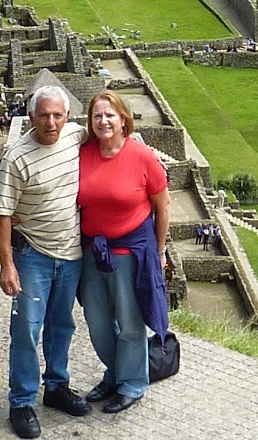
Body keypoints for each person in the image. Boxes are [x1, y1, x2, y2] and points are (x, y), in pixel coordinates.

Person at [0, 86, 90, 439]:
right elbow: (2, 215)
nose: (51, 122)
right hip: (33, 254)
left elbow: (117, 136)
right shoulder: (16, 157)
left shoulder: (76, 136)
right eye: (44, 115)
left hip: (72, 254)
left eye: (58, 115)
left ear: (67, 116)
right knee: (26, 331)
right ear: (31, 117)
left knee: (62, 325)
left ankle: (56, 387)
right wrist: (7, 265)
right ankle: (21, 401)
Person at [77, 90, 171, 415]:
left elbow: (163, 205)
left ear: (123, 120)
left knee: (130, 323)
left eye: (109, 115)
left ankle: (132, 382)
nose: (103, 121)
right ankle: (114, 372)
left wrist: (159, 250)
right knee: (97, 321)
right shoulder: (84, 153)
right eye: (97, 116)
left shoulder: (142, 157)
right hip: (93, 252)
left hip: (130, 253)